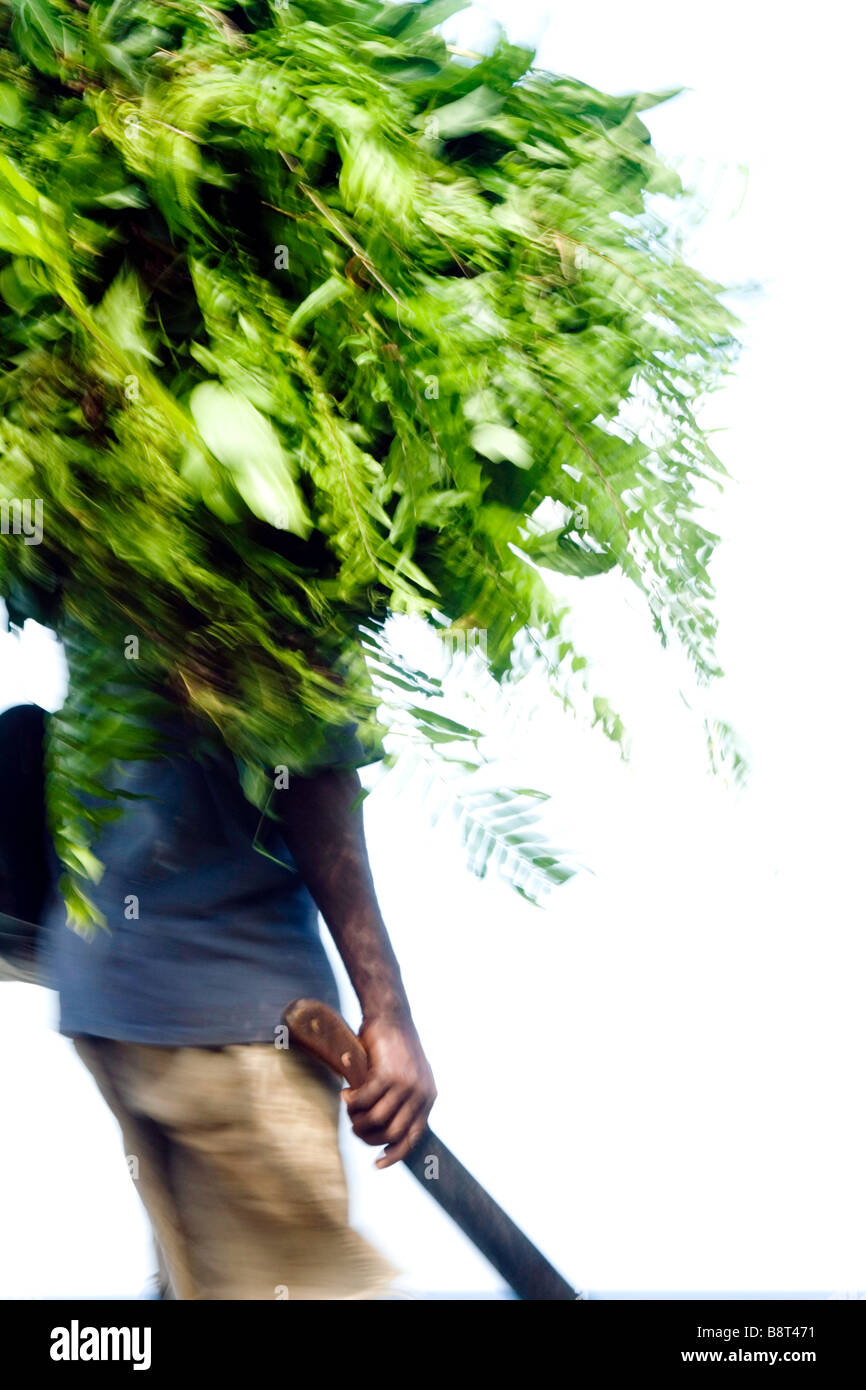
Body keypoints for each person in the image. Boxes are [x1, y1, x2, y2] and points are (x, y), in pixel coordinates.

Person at [4, 693, 436, 1300]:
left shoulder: (96, 595)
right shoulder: (282, 599)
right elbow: (312, 771)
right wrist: (387, 1013)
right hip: (236, 1017)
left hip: (109, 1004)